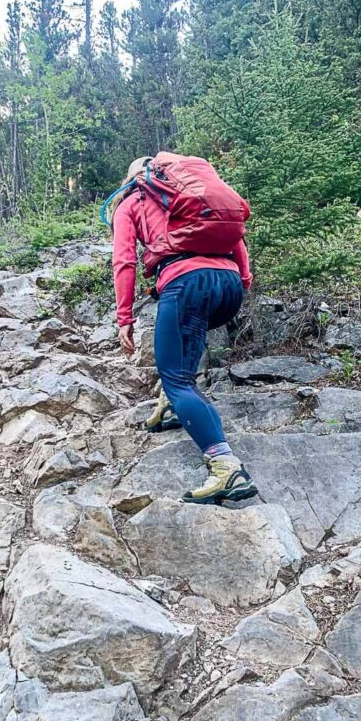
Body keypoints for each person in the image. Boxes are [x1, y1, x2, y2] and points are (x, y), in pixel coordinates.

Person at [111, 155, 258, 506]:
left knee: (177, 377)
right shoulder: (194, 197)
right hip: (229, 287)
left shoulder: (132, 202)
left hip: (185, 281)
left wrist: (124, 317)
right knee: (183, 343)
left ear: (132, 179)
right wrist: (244, 279)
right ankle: (171, 406)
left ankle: (225, 467)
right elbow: (236, 238)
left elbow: (124, 261)